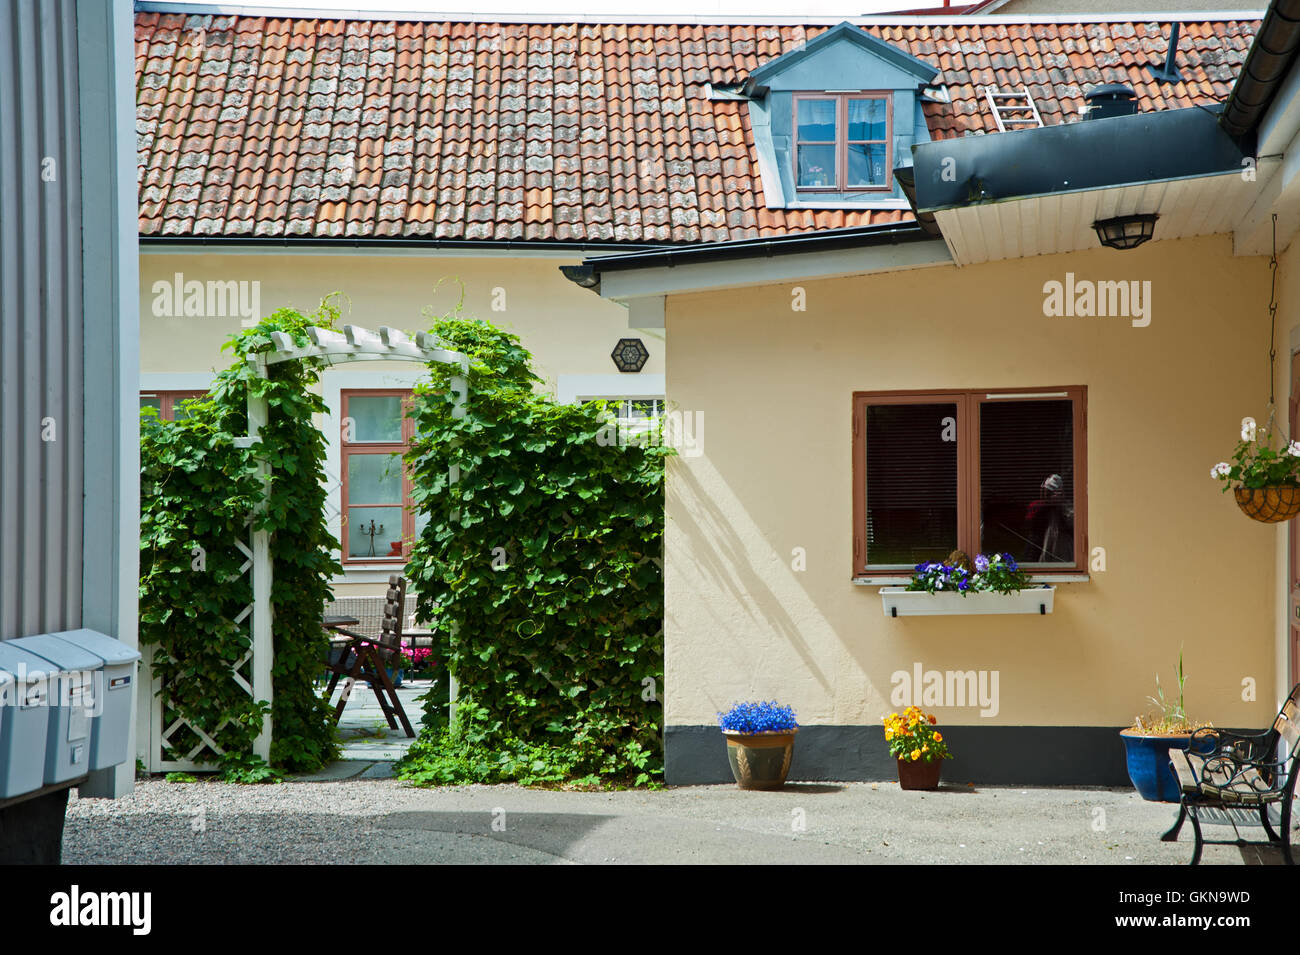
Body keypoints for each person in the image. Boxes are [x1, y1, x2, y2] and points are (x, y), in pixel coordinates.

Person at [1024, 473, 1073, 563]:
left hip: (1060, 553)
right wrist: (1049, 503)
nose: (1048, 495)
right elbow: (1030, 523)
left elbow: (1072, 526)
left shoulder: (1067, 509)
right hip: (1037, 551)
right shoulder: (1037, 507)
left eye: (1051, 492)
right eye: (1047, 492)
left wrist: (1060, 505)